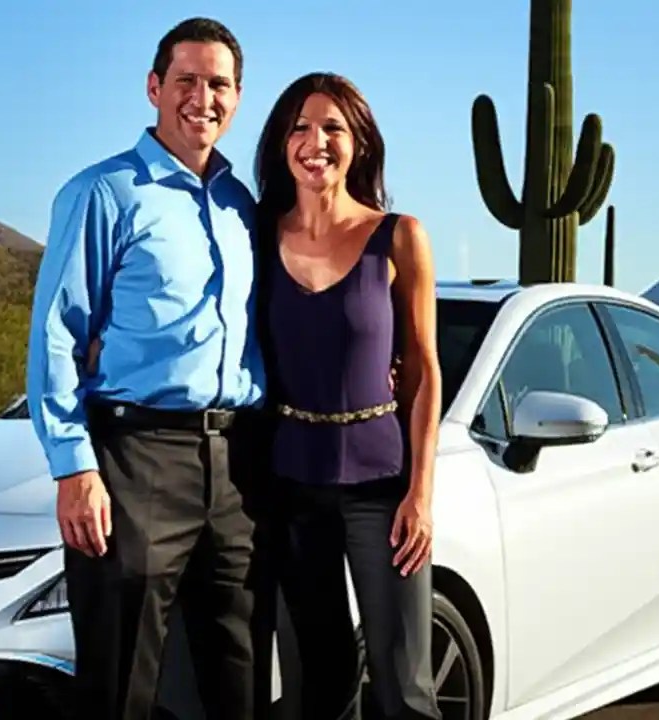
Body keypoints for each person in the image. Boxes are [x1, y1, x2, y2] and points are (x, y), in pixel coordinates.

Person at [25, 17, 276, 720]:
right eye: (187, 81)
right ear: (154, 88)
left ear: (237, 96)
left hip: (238, 470)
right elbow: (55, 336)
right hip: (137, 461)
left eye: (219, 84)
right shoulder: (102, 193)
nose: (204, 97)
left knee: (239, 678)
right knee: (120, 684)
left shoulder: (242, 205)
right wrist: (75, 470)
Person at [252, 72, 445, 720]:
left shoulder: (400, 236)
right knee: (318, 686)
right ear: (282, 143)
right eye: (300, 127)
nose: (316, 141)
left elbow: (422, 370)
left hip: (381, 487)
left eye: (333, 127)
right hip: (288, 489)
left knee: (404, 689)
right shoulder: (257, 237)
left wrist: (420, 494)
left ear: (359, 142)